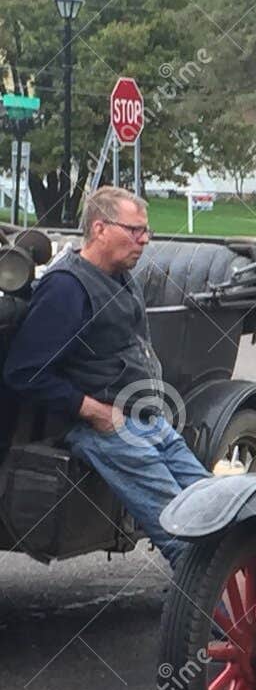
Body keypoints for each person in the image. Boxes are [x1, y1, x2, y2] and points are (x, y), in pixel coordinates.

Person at [2, 186, 209, 567]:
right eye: (135, 230)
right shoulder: (66, 287)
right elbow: (23, 372)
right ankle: (218, 618)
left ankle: (242, 582)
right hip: (101, 429)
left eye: (146, 231)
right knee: (181, 532)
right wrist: (95, 413)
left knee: (212, 505)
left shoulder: (120, 275)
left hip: (146, 419)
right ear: (99, 229)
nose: (144, 239)